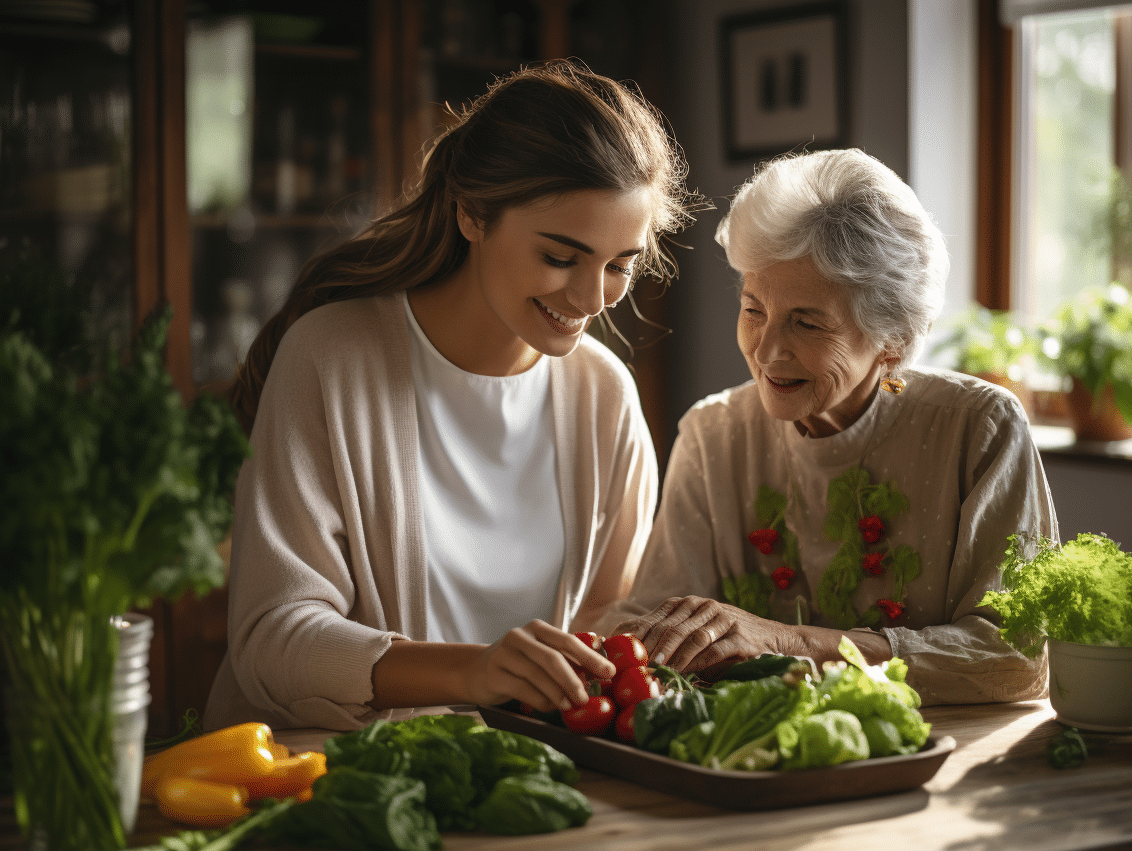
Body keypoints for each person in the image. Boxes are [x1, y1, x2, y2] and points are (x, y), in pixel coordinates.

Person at [204, 61, 702, 731]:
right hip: (329, 786)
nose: (591, 300)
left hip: (516, 785)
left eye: (620, 266)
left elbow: (602, 628)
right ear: (472, 214)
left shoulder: (603, 393)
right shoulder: (332, 357)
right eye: (560, 257)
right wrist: (473, 671)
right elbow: (272, 640)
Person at [602, 149, 1057, 706]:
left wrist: (791, 643)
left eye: (806, 322)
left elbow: (1015, 658)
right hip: (761, 761)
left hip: (941, 758)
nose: (767, 351)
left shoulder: (978, 428)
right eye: (753, 310)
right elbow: (655, 624)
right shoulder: (714, 434)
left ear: (892, 338)